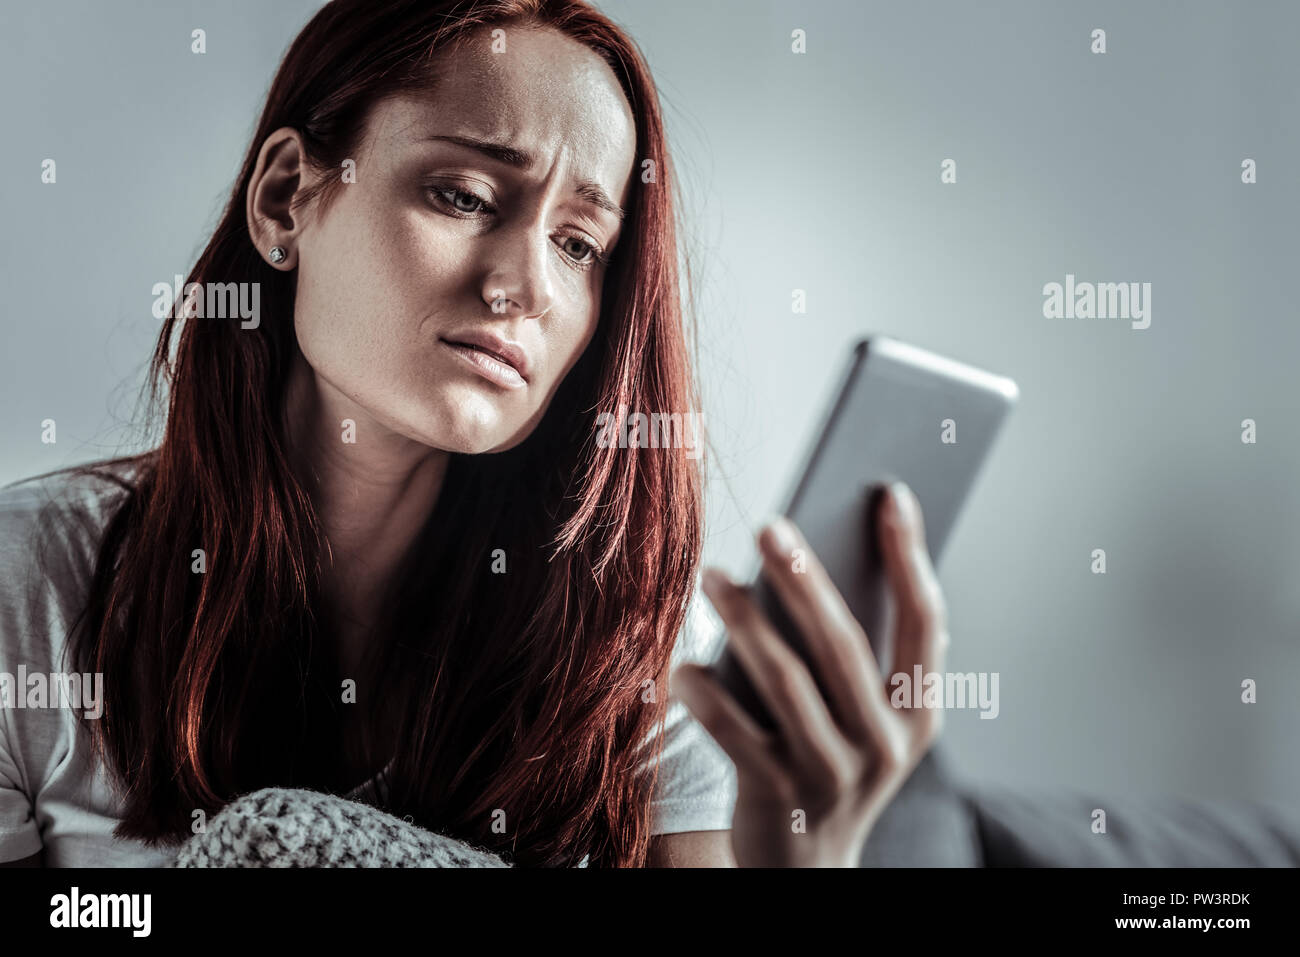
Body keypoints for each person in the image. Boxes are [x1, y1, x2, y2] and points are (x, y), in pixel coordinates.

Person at [0, 0, 948, 868]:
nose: (525, 286)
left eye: (579, 244)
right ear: (287, 196)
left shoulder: (643, 653)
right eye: (463, 195)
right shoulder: (27, 593)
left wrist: (811, 856)